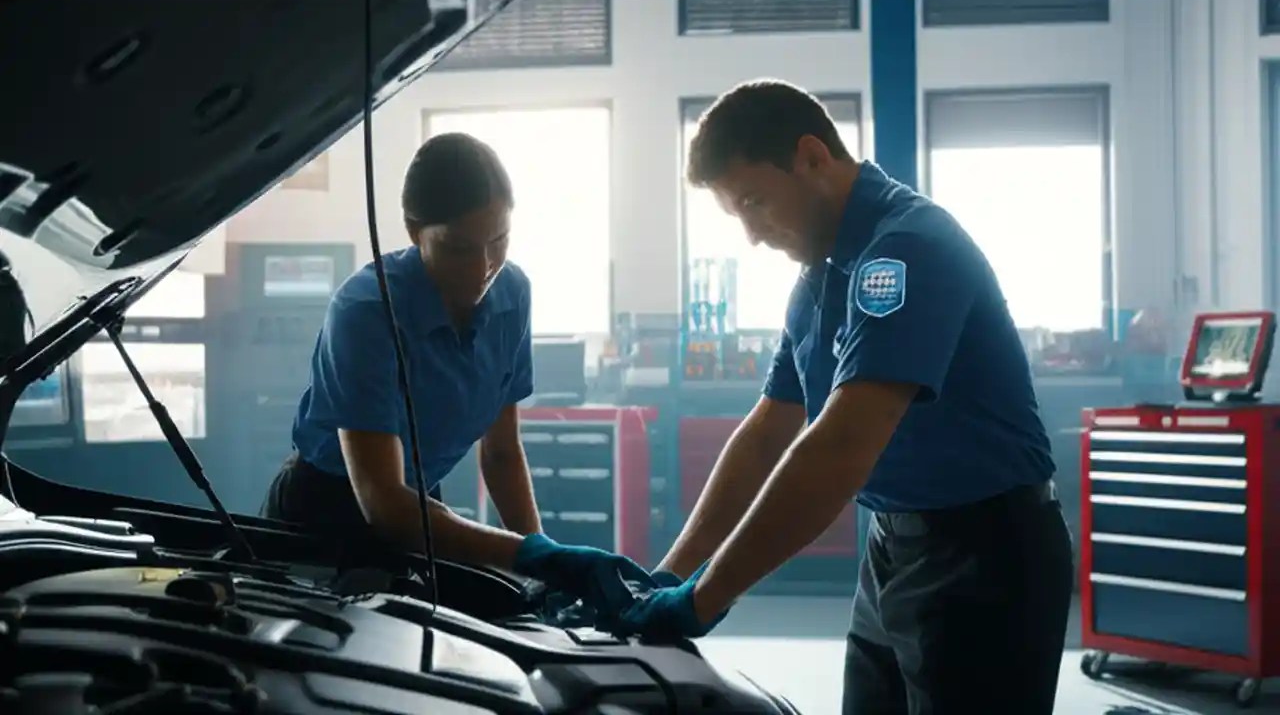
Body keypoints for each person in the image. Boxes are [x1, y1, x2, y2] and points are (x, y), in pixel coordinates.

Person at [614, 80, 1074, 714]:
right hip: (893, 545)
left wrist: (704, 598)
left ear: (811, 157)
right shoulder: (820, 277)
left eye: (754, 202)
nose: (751, 235)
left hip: (986, 555)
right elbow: (767, 432)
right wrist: (668, 576)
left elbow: (838, 449)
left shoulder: (908, 249)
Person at [261, 132, 651, 610]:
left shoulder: (512, 294)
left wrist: (545, 566)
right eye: (459, 248)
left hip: (421, 506)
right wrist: (531, 556)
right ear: (413, 230)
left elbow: (501, 454)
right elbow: (383, 501)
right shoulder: (366, 310)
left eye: (499, 241)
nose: (483, 267)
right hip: (325, 516)